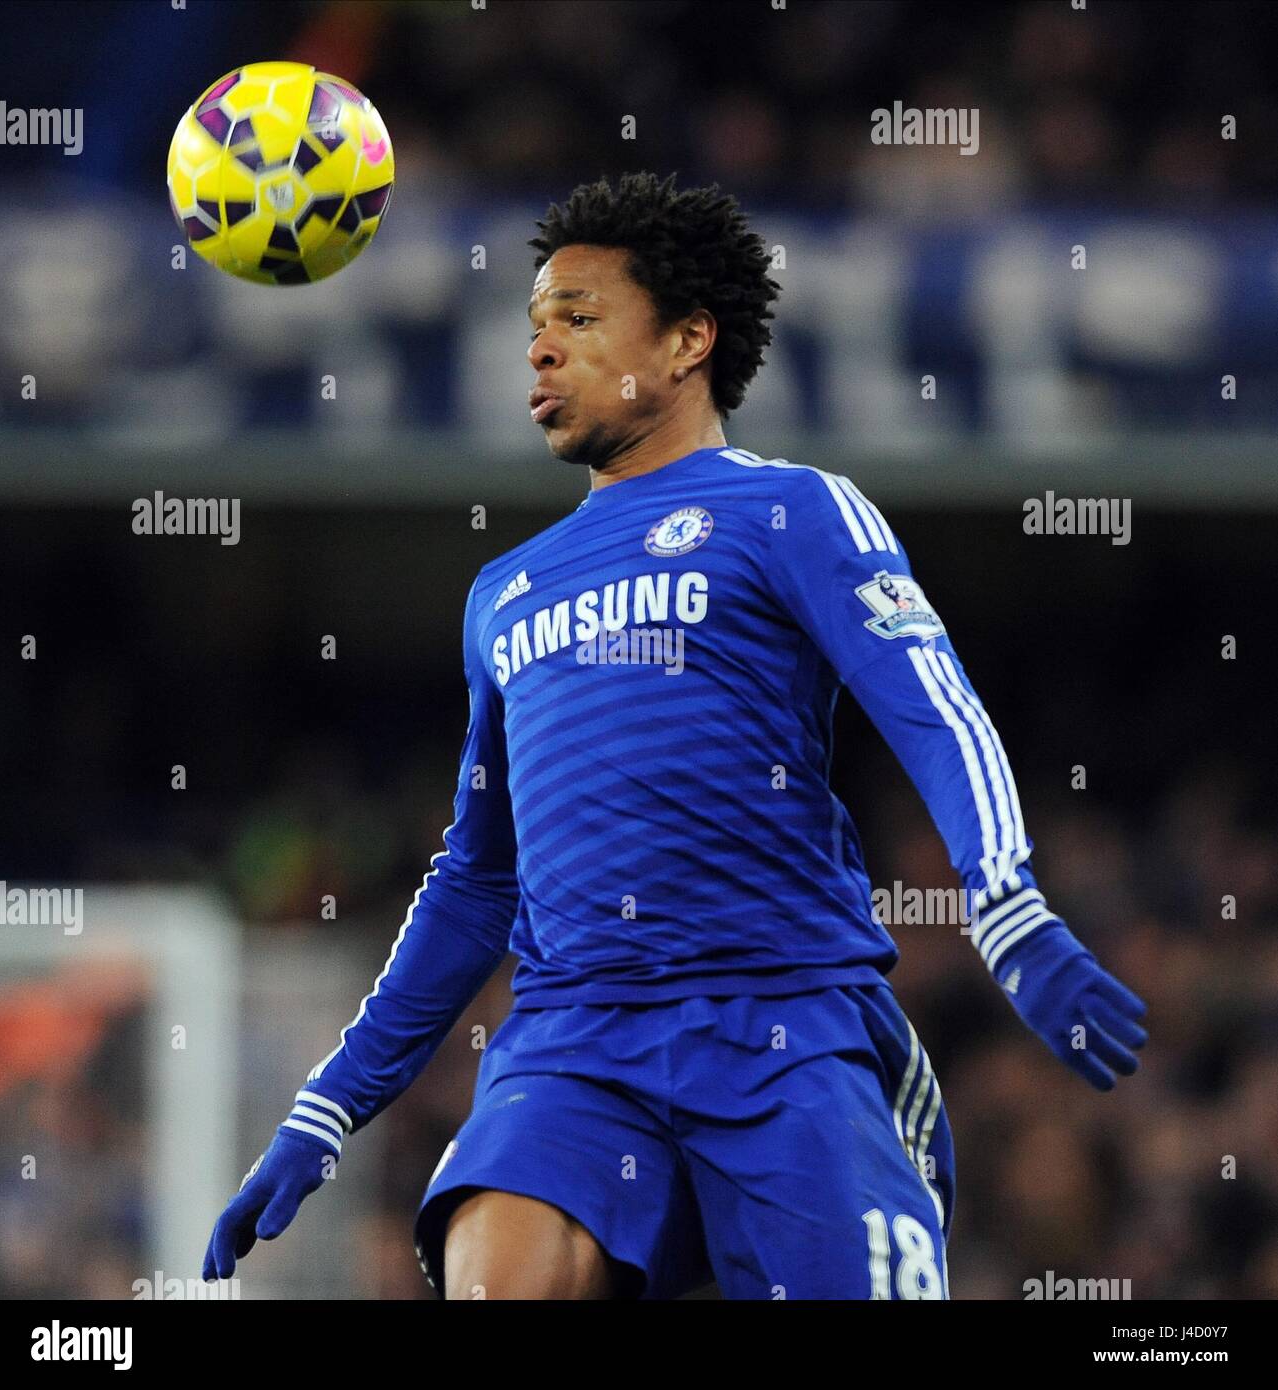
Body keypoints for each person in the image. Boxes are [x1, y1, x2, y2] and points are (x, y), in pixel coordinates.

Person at [203, 171, 1147, 1300]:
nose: (541, 352)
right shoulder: (505, 593)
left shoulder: (790, 510)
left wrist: (1006, 907)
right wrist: (331, 1101)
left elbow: (931, 706)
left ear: (691, 338)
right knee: (498, 1276)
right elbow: (476, 876)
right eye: (535, 327)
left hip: (784, 1027)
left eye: (580, 319)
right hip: (572, 1039)